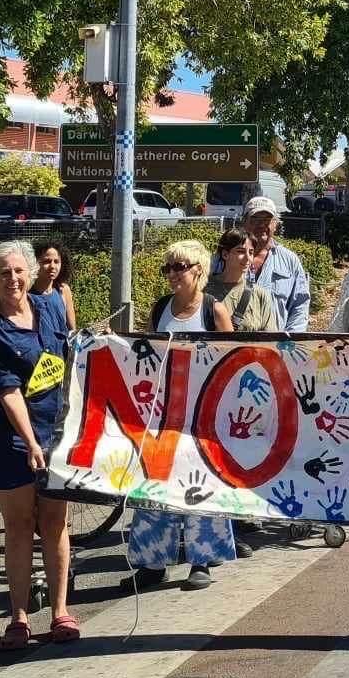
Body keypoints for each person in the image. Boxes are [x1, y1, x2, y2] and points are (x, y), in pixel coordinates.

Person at [0, 240, 79, 650]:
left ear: (29, 274)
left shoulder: (49, 307)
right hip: (10, 439)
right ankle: (18, 617)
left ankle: (60, 611)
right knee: (18, 526)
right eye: (3, 274)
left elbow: (69, 357)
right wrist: (31, 442)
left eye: (18, 271)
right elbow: (8, 393)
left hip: (55, 432)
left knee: (54, 524)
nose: (12, 279)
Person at [126, 239, 237, 590]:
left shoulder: (214, 310)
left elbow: (233, 359)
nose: (172, 274)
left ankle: (202, 559)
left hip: (204, 413)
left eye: (179, 267)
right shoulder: (160, 309)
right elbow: (146, 355)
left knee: (201, 484)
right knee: (153, 482)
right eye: (168, 268)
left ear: (198, 271)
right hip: (163, 413)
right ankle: (152, 560)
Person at [242, 197, 310, 331]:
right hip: (233, 346)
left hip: (276, 347)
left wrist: (289, 344)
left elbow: (300, 306)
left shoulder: (290, 260)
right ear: (245, 222)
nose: (261, 225)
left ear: (275, 224)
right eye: (255, 219)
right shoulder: (227, 257)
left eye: (267, 220)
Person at [205, 228, 280, 332]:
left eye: (251, 252)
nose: (247, 258)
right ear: (225, 254)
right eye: (240, 251)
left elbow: (270, 339)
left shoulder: (259, 294)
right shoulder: (203, 290)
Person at [31, 242, 78, 333]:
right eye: (47, 261)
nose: (52, 266)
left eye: (56, 262)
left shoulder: (63, 290)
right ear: (35, 264)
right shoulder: (26, 294)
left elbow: (72, 329)